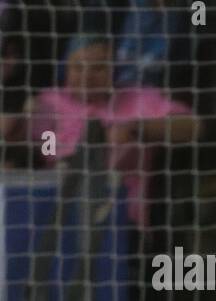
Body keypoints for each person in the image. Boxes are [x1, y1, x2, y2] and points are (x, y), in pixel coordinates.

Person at [21, 32, 200, 228]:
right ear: (66, 69)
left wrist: (135, 129)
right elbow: (46, 152)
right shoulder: (49, 101)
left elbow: (193, 127)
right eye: (78, 68)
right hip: (58, 211)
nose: (86, 77)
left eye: (98, 68)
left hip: (124, 219)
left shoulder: (137, 99)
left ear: (113, 70)